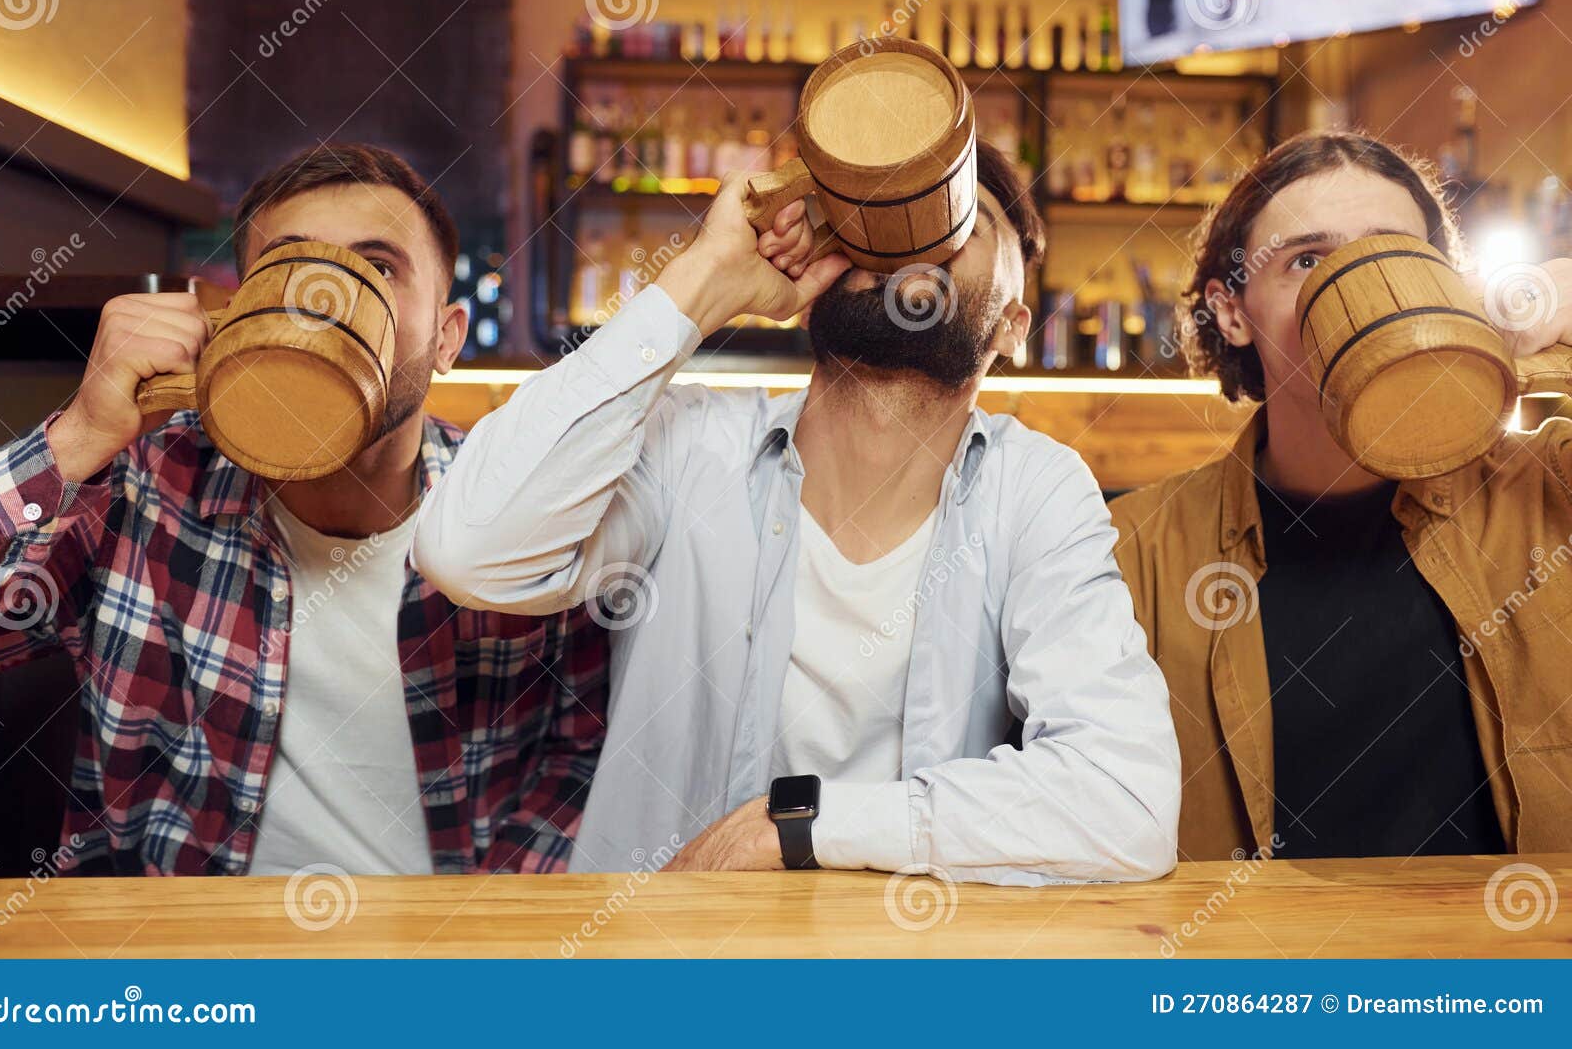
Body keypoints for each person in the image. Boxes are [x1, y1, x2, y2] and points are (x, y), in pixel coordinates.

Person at [412, 141, 1180, 886]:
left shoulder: (1035, 490)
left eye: (957, 217)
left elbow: (1125, 798)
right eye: (885, 213)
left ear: (1015, 324)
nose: (914, 236)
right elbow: (468, 550)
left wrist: (794, 826)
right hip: (655, 969)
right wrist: (706, 278)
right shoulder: (691, 445)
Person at [0, 143, 606, 875]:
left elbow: (581, 749)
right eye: (290, 268)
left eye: (377, 268)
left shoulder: (519, 506)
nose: (323, 300)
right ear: (238, 312)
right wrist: (81, 435)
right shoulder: (143, 481)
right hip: (195, 974)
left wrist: (484, 947)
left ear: (446, 337)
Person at [1109, 131, 1572, 861]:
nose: (1357, 286)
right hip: (1244, 972)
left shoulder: (1550, 492)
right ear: (1232, 311)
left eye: (1393, 254)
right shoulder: (1130, 554)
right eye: (1308, 260)